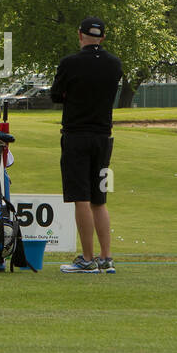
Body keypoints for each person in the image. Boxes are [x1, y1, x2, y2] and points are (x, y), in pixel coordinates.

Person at [50, 17, 123, 273]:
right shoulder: (114, 64)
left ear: (80, 35)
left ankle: (88, 259)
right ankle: (106, 257)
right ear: (103, 37)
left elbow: (56, 95)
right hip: (103, 138)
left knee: (81, 197)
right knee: (99, 199)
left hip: (76, 136)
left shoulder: (69, 63)